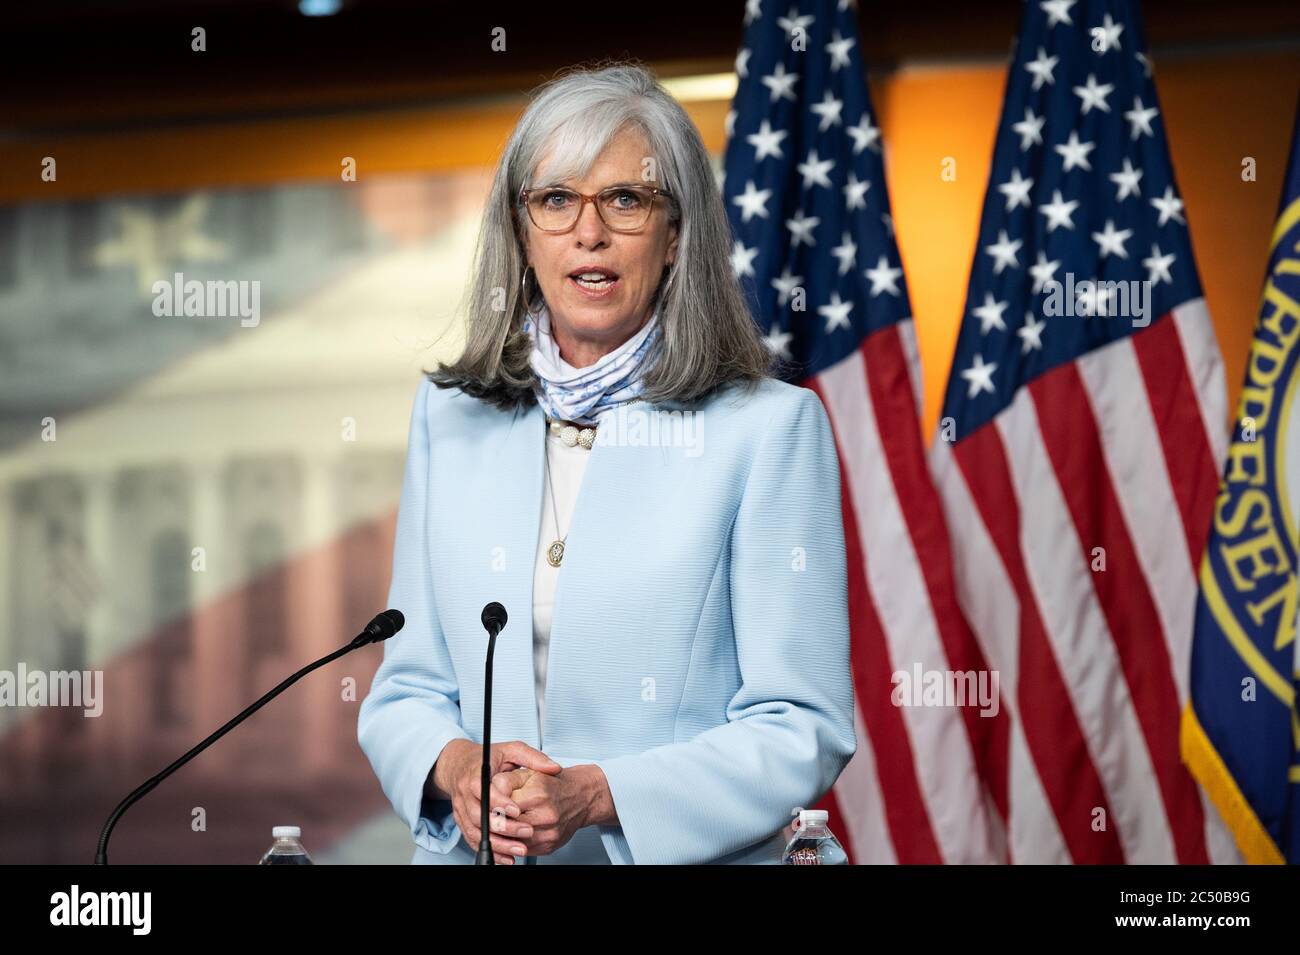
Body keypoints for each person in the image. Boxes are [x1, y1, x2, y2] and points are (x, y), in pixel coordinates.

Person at [357, 61, 856, 864]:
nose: (588, 232)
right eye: (556, 200)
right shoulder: (450, 419)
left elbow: (803, 725)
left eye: (626, 199)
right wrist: (457, 770)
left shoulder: (768, 431)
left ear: (678, 235)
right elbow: (408, 689)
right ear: (521, 234)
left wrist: (597, 793)